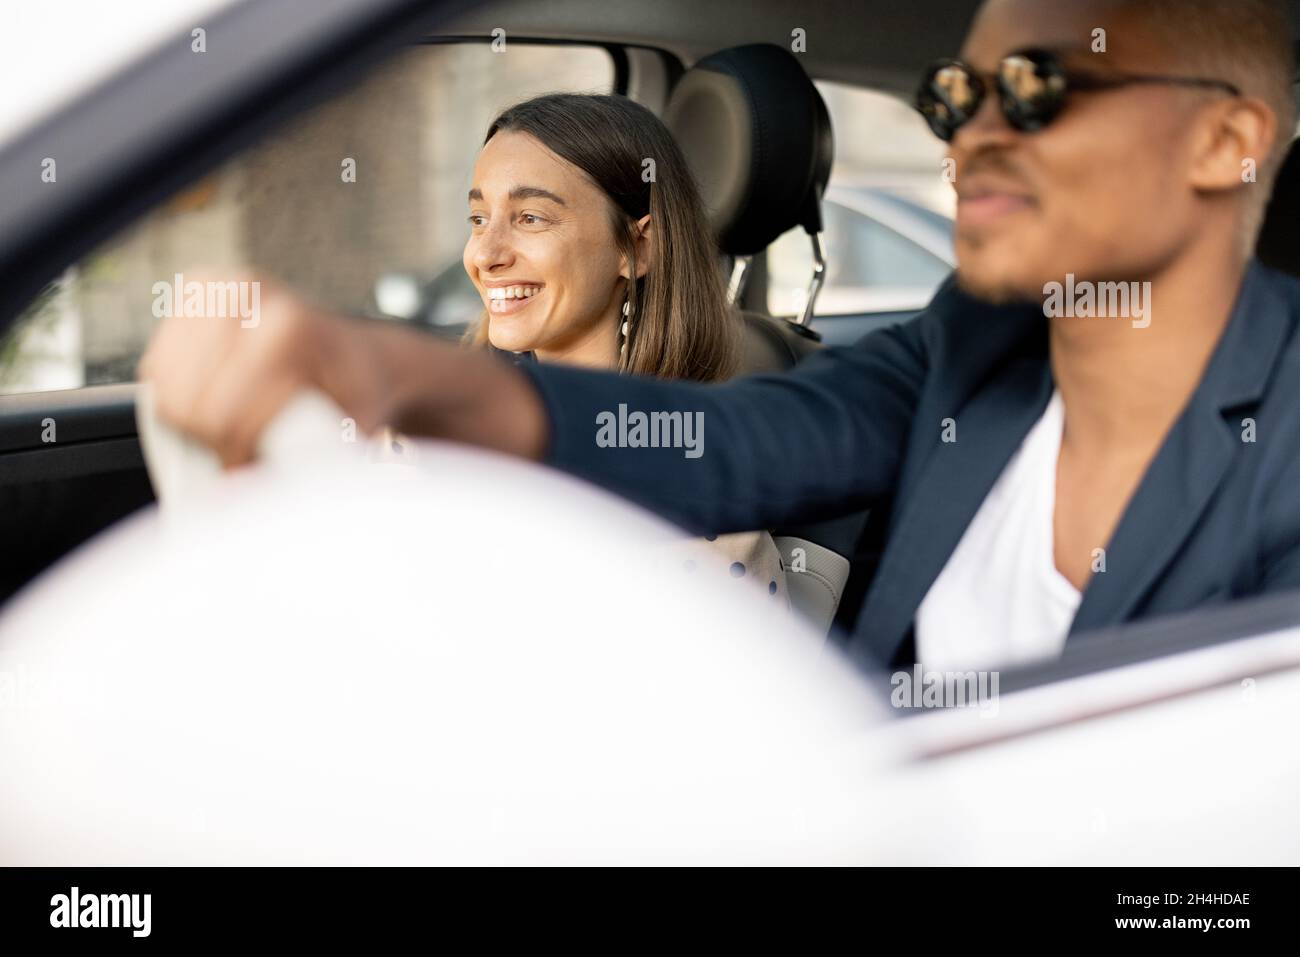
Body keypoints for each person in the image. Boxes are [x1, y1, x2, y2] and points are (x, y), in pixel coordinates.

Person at [140, 0, 1300, 674]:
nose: (973, 137)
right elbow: (722, 446)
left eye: (1036, 90)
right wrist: (394, 372)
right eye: (956, 100)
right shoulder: (972, 347)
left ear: (1223, 141)